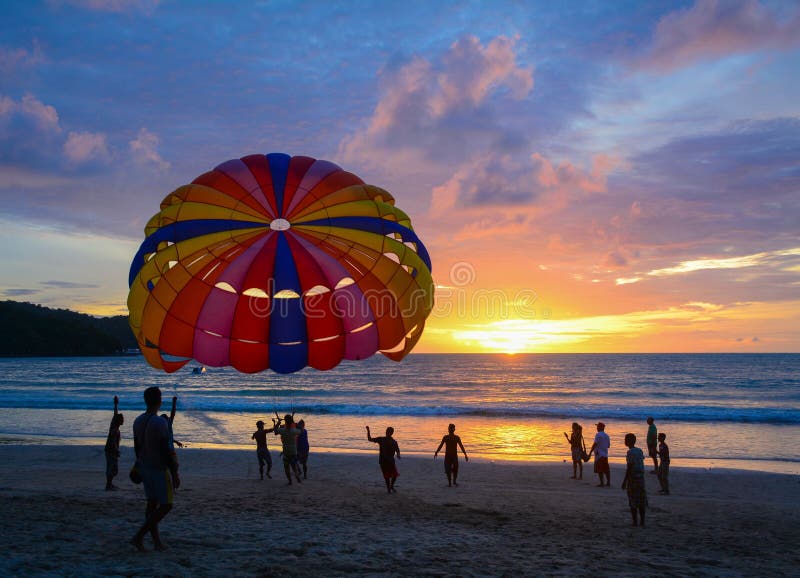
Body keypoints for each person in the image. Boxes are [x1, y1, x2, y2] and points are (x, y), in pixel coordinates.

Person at [131, 386, 180, 552]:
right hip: (159, 468)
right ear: (159, 401)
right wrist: (174, 472)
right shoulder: (160, 423)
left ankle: (157, 542)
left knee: (151, 504)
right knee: (166, 505)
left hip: (145, 467)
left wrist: (139, 464)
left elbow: (136, 447)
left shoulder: (137, 421)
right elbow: (165, 450)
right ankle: (139, 536)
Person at [621, 433, 647, 527]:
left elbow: (629, 467)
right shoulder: (639, 450)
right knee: (641, 500)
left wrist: (624, 481)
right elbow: (641, 460)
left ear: (628, 442)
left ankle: (635, 522)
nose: (624, 441)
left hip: (633, 479)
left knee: (632, 500)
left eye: (625, 439)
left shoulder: (630, 452)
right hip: (641, 478)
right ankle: (642, 522)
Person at [366, 425, 400, 493]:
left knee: (395, 475)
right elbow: (370, 439)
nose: (387, 432)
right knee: (386, 477)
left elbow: (397, 450)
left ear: (392, 433)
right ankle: (389, 489)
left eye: (389, 432)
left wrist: (398, 455)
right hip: (383, 461)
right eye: (387, 431)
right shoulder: (381, 439)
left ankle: (391, 486)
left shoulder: (394, 442)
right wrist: (368, 431)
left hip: (391, 461)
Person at [273, 414, 302, 484]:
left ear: (285, 422)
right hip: (293, 451)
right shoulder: (294, 431)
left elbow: (275, 431)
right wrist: (295, 423)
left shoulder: (282, 430)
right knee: (294, 467)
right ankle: (296, 475)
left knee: (286, 468)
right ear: (291, 422)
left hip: (286, 451)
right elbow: (301, 431)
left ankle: (290, 481)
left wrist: (278, 423)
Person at [104, 395, 124, 491]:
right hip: (111, 450)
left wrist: (116, 404)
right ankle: (109, 485)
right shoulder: (114, 428)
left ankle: (109, 484)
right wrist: (116, 450)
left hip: (110, 450)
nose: (123, 420)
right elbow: (112, 441)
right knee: (111, 467)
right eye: (122, 419)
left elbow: (115, 414)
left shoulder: (115, 427)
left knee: (112, 467)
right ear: (119, 421)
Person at [588, 422, 611, 487]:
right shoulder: (607, 436)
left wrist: (590, 452)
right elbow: (608, 446)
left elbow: (595, 444)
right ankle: (608, 482)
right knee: (606, 469)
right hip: (605, 454)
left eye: (598, 427)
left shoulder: (598, 434)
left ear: (601, 427)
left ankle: (602, 483)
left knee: (600, 469)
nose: (597, 428)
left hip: (599, 454)